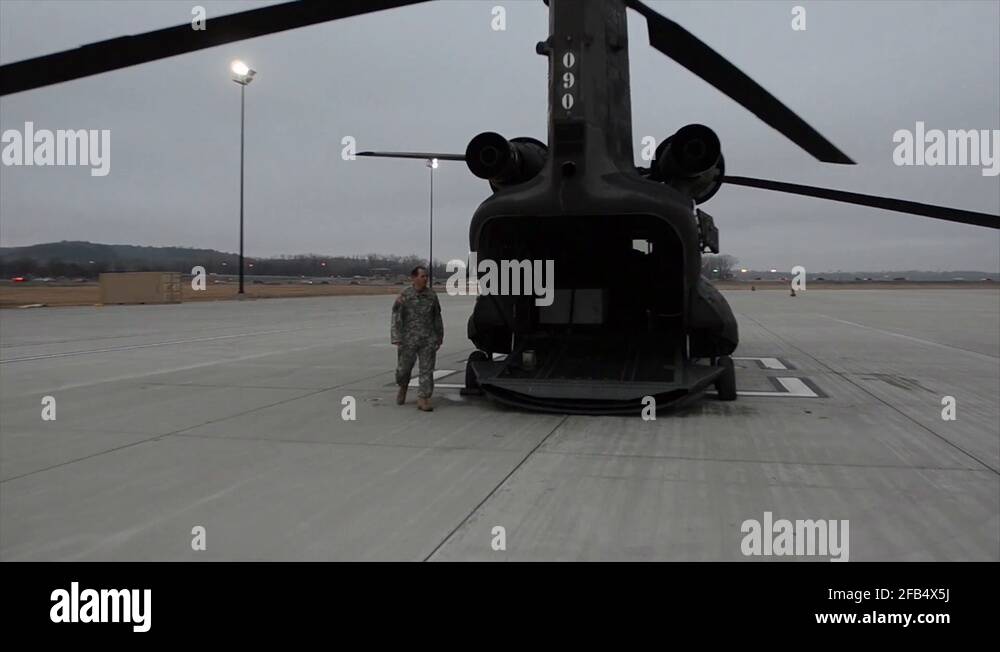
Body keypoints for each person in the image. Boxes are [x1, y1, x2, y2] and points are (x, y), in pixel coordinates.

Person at [391, 265, 444, 411]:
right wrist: (396, 337)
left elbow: (437, 317)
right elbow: (396, 316)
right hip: (408, 339)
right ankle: (403, 386)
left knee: (427, 369)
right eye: (422, 276)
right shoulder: (405, 295)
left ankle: (423, 398)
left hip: (428, 338)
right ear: (414, 278)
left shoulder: (432, 295)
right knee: (403, 369)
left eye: (426, 276)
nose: (425, 279)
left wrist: (439, 336)